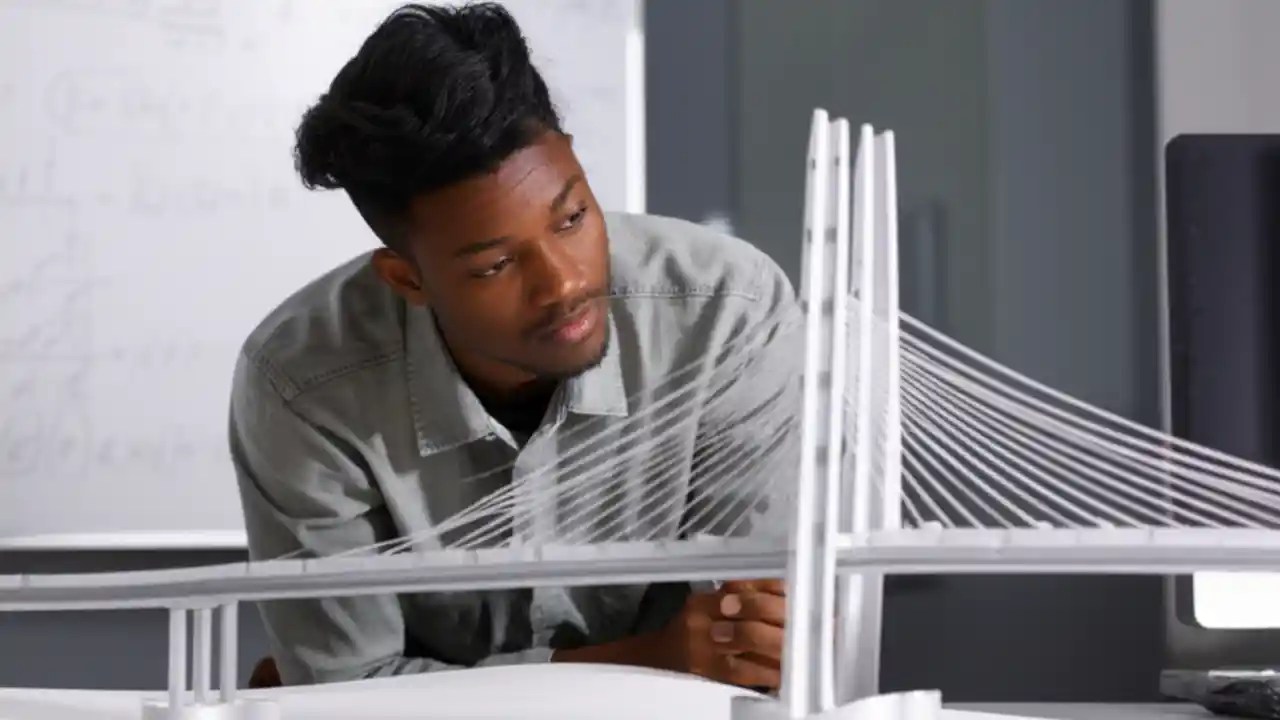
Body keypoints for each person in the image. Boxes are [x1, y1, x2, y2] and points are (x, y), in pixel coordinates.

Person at [228, 1, 802, 691]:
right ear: (408, 278)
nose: (563, 283)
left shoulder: (727, 314)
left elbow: (752, 654)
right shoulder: (302, 385)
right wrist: (656, 658)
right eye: (496, 265)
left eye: (572, 217)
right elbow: (348, 692)